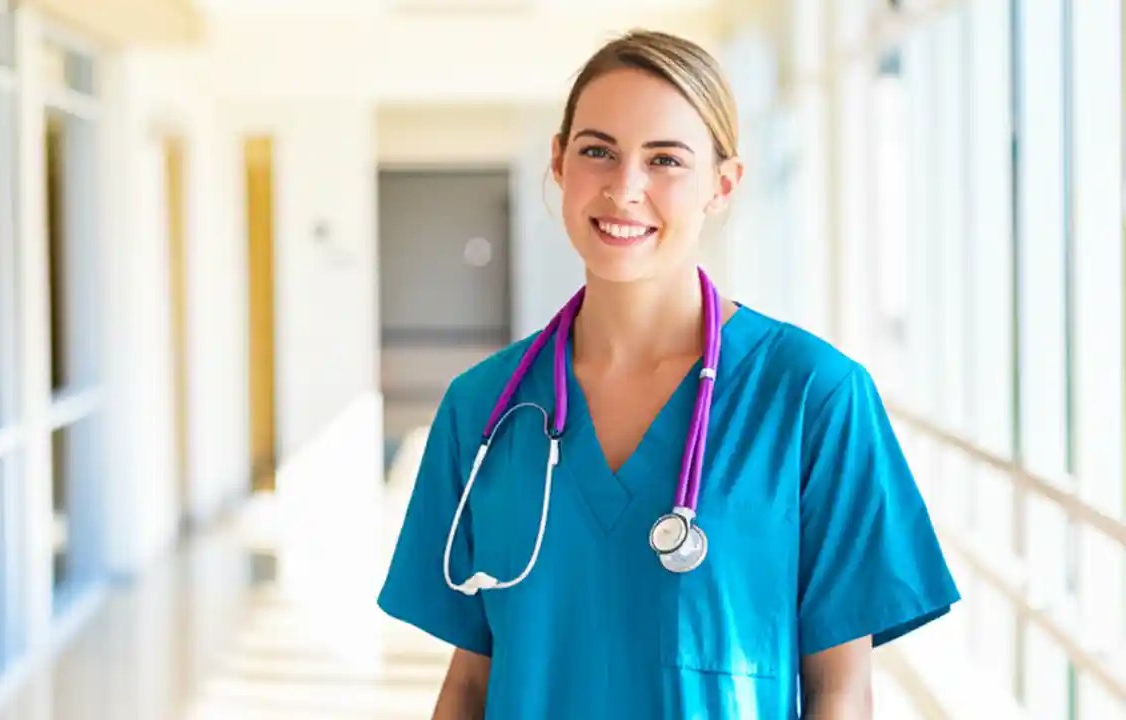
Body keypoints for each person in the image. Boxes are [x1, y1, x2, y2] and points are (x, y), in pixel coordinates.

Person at [377, 28, 960, 720]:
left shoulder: (813, 397)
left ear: (723, 184)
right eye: (598, 151)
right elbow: (471, 683)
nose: (625, 188)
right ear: (560, 163)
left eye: (665, 160)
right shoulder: (482, 409)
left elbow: (841, 690)